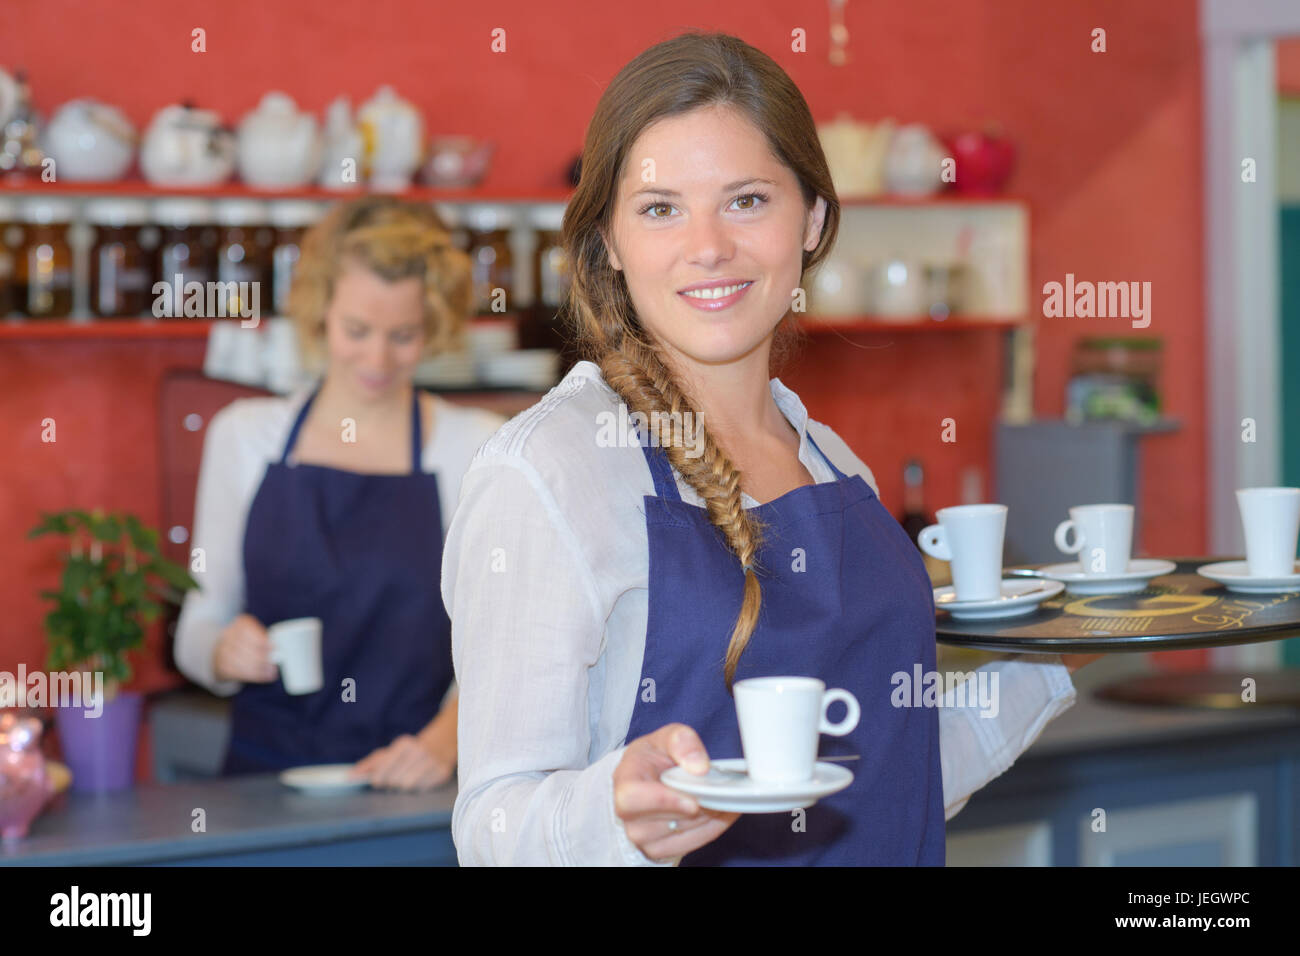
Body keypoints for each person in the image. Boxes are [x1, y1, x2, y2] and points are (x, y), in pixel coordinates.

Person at [443, 31, 1101, 865]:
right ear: (608, 241)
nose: (708, 245)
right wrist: (613, 813)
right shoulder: (549, 472)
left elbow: (889, 778)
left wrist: (1060, 647)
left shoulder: (833, 462)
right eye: (660, 208)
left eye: (748, 200)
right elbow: (494, 822)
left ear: (814, 220)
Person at [175, 197, 504, 789]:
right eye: (357, 330)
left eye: (403, 335)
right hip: (261, 788)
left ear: (434, 327)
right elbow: (196, 631)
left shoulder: (471, 446)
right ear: (319, 311)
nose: (377, 359)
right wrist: (222, 653)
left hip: (412, 783)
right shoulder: (246, 437)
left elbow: (504, 643)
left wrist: (443, 740)